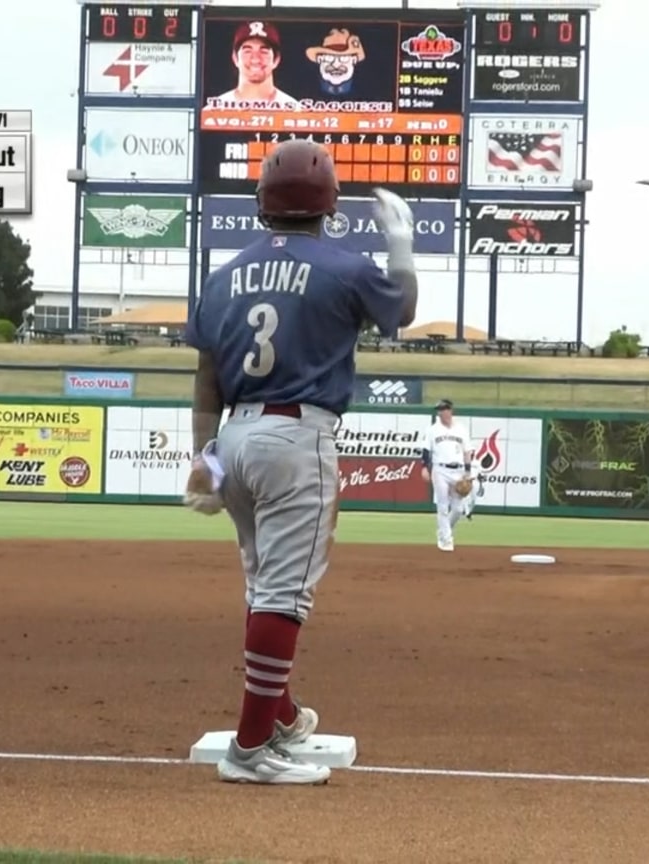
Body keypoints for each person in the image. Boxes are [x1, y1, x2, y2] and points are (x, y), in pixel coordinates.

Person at [179, 139, 419, 784]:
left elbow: (207, 373)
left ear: (261, 203)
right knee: (284, 594)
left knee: (262, 587)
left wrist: (204, 454)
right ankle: (250, 749)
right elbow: (403, 309)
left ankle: (278, 716)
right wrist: (401, 246)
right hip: (296, 435)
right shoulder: (343, 265)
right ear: (329, 204)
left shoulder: (223, 274)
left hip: (234, 435)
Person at [420, 399, 475, 551]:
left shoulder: (461, 429)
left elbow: (467, 451)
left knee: (458, 509)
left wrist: (468, 472)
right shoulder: (433, 429)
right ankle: (447, 540)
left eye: (443, 409)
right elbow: (426, 450)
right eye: (439, 410)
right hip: (440, 470)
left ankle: (443, 532)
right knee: (442, 507)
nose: (441, 412)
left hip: (458, 471)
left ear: (450, 410)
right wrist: (424, 467)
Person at [212, 21, 300, 107]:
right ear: (235, 59)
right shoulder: (214, 111)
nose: (255, 59)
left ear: (276, 60)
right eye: (247, 51)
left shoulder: (295, 112)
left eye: (264, 51)